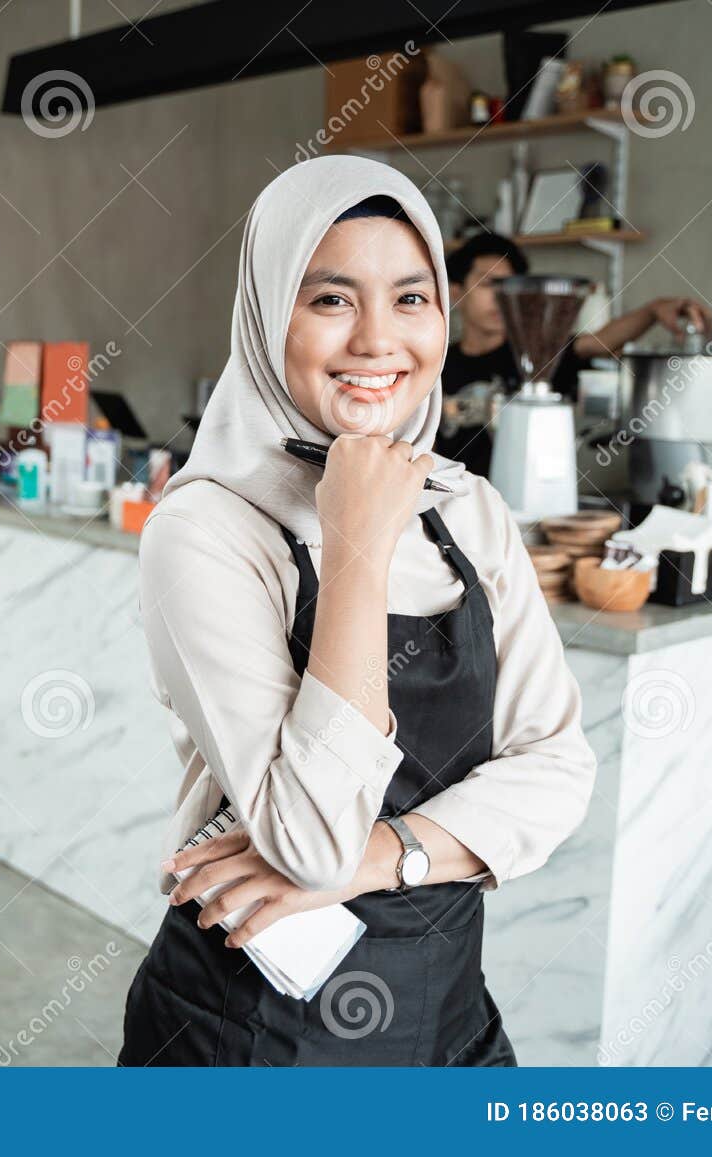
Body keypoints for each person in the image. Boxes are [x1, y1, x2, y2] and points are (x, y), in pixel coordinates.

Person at [116, 157, 596, 1067]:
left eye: (411, 299)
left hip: (450, 1010)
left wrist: (394, 855)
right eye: (331, 300)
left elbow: (559, 769)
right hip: (254, 1032)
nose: (379, 340)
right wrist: (357, 547)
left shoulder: (469, 509)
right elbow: (307, 843)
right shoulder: (206, 530)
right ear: (267, 318)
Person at [436, 232, 712, 475]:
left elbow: (600, 342)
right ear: (455, 291)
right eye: (488, 284)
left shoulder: (538, 355)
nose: (499, 298)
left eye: (508, 287)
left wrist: (653, 310)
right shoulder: (436, 364)